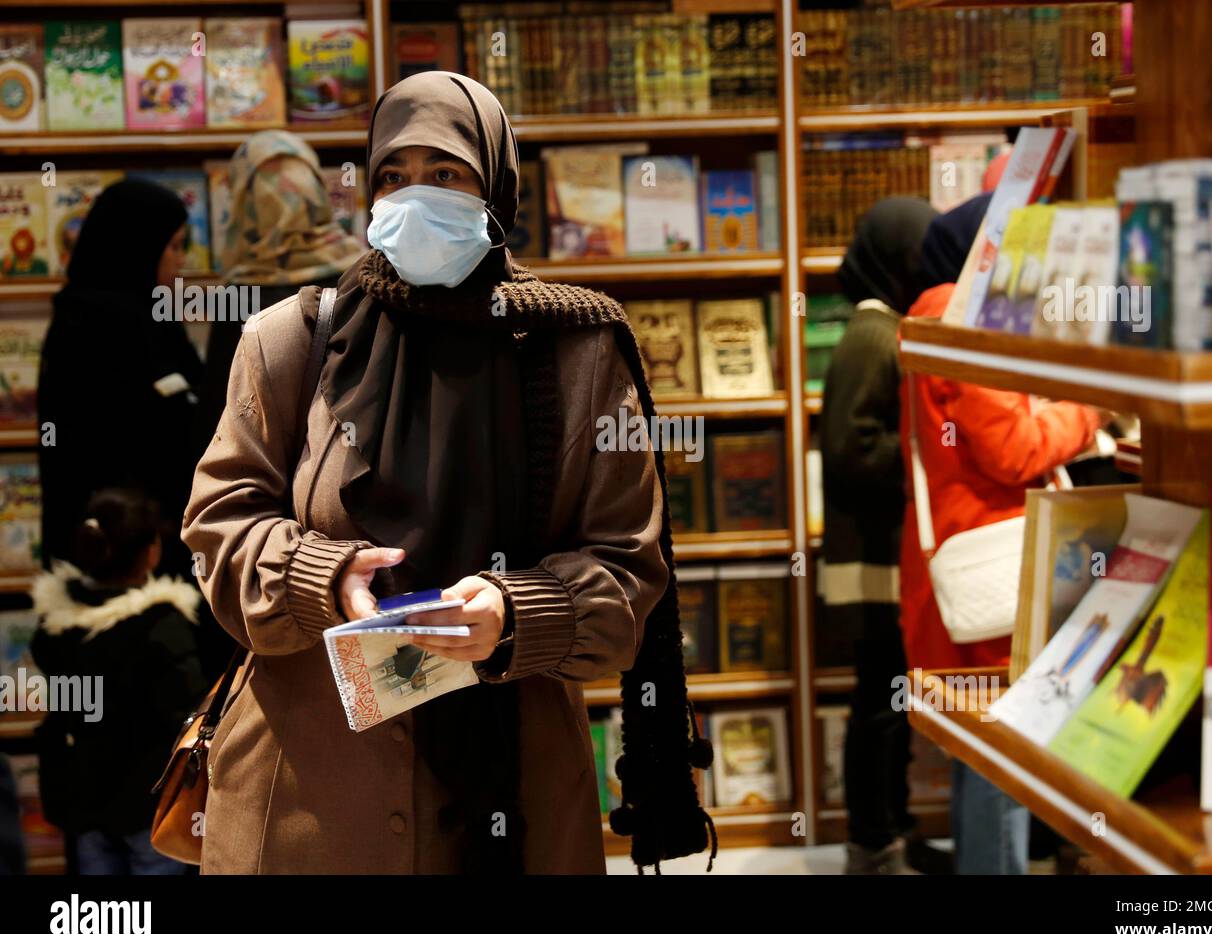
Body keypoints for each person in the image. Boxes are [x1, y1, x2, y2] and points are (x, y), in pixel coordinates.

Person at [182, 72, 711, 875]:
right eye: (392, 176)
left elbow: (628, 571)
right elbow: (219, 531)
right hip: (306, 804)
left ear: (496, 187)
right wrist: (322, 579)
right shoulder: (293, 341)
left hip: (519, 802)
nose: (413, 198)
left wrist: (514, 611)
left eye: (447, 174)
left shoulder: (576, 355)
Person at [900, 194, 1102, 874]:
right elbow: (1013, 449)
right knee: (1004, 746)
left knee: (981, 743)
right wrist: (1087, 407)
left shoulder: (935, 314)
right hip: (998, 555)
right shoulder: (967, 316)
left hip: (968, 548)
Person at [822, 196, 935, 874]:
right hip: (872, 558)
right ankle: (873, 843)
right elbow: (850, 448)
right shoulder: (873, 335)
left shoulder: (888, 326)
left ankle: (895, 827)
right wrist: (925, 451)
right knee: (880, 703)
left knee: (892, 701)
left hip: (882, 554)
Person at [30, 488, 207, 875]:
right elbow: (185, 719)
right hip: (148, 805)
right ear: (151, 551)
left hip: (82, 798)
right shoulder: (162, 627)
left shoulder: (56, 626)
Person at [38, 179, 200, 580]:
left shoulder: (149, 318)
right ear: (139, 247)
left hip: (156, 546)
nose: (180, 261)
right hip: (120, 557)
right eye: (174, 246)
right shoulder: (92, 328)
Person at [195, 130, 364, 452]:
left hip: (264, 476)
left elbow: (215, 418)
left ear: (244, 200)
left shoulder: (241, 292)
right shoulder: (359, 275)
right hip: (348, 469)